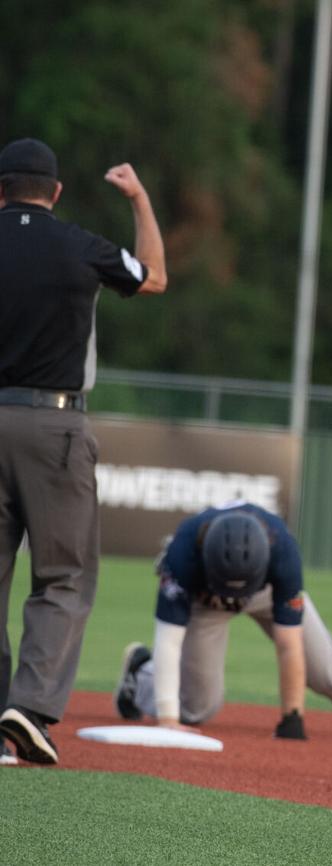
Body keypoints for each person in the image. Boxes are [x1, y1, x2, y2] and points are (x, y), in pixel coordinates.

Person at [0, 137, 167, 766]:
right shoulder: (79, 245)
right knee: (64, 577)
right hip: (53, 425)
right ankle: (30, 706)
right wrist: (141, 200)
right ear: (56, 193)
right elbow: (153, 278)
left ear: (0, 191)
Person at [111, 502, 332, 741]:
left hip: (265, 593)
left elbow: (289, 643)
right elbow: (169, 640)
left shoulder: (283, 552)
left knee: (328, 674)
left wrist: (292, 717)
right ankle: (139, 675)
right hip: (205, 602)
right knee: (195, 708)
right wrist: (168, 719)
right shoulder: (182, 556)